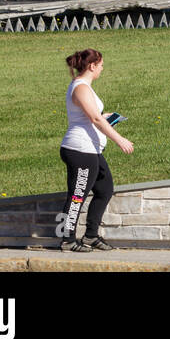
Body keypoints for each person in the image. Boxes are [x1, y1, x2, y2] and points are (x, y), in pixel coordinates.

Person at [59, 49, 133, 252]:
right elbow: (94, 119)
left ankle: (91, 235)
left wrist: (106, 115)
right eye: (100, 65)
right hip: (80, 150)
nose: (102, 69)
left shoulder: (86, 88)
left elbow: (94, 114)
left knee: (104, 189)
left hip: (91, 150)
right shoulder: (80, 87)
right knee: (76, 196)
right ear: (92, 66)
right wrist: (119, 139)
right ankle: (67, 239)